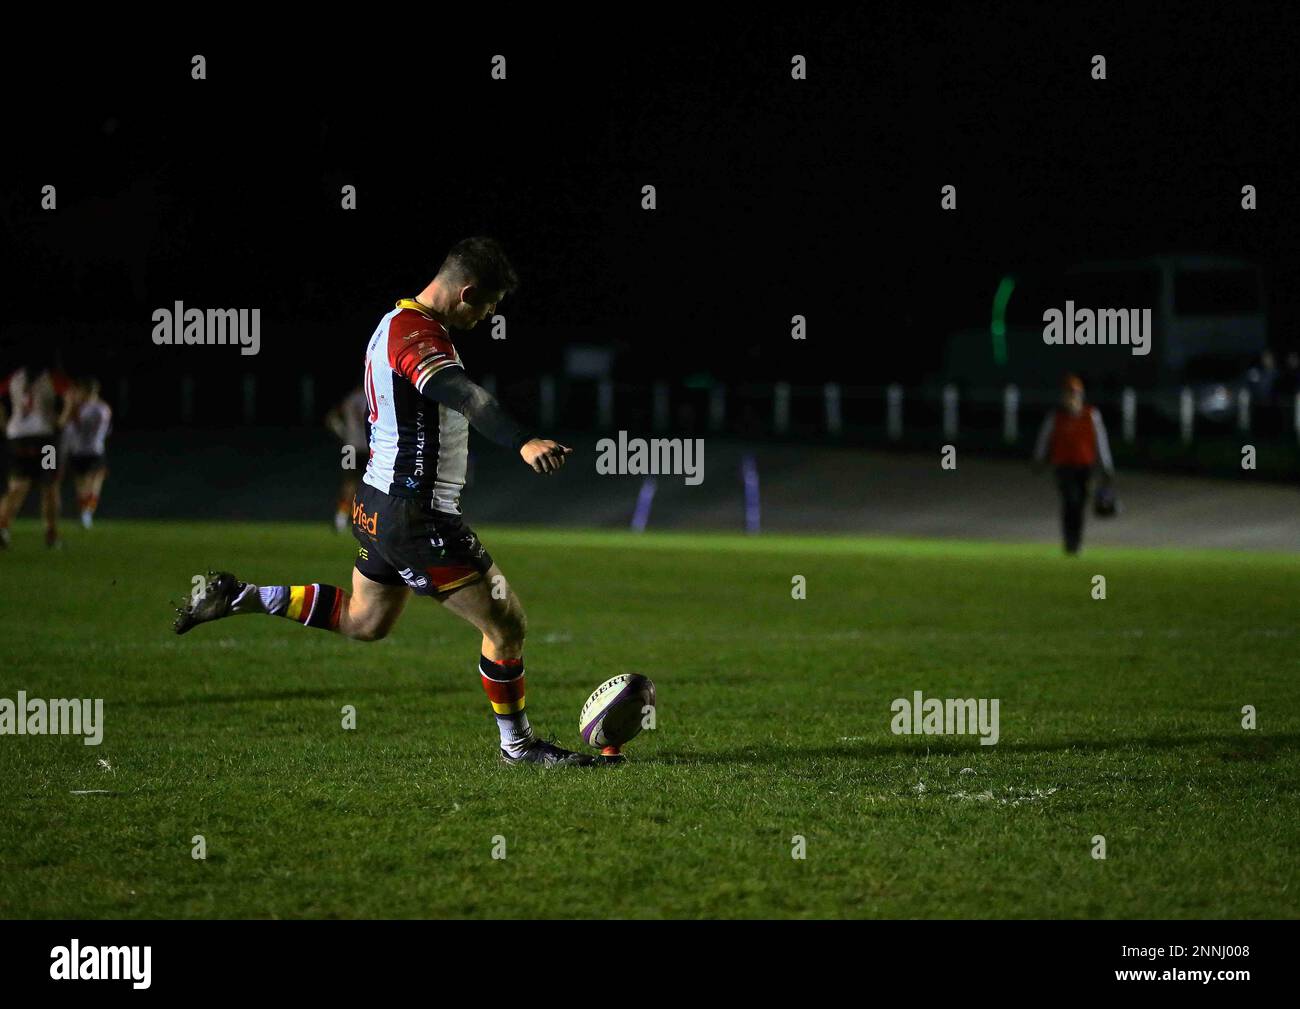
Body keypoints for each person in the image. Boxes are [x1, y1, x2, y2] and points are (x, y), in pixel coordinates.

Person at [172, 237, 612, 768]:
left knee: (365, 621)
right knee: (506, 626)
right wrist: (523, 440)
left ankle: (243, 596)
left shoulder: (394, 323)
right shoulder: (414, 333)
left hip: (378, 505)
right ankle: (518, 747)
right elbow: (468, 396)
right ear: (466, 291)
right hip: (417, 514)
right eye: (489, 305)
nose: (489, 316)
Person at [1032, 374, 1115, 555]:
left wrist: (1106, 466)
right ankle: (1069, 541)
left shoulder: (1091, 415)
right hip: (1063, 467)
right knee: (1070, 500)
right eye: (1069, 394)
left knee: (1080, 504)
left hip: (1085, 467)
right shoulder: (1056, 417)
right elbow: (1044, 439)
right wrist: (1039, 459)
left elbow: (1101, 441)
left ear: (1080, 396)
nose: (1072, 398)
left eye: (1075, 394)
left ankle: (1076, 542)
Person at [0, 365, 72, 549]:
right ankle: (51, 534)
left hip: (18, 437)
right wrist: (61, 421)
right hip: (45, 438)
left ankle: (2, 528)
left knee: (17, 486)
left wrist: (5, 424)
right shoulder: (52, 378)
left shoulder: (14, 378)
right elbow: (70, 396)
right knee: (50, 486)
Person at [62, 378, 113, 529]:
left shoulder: (99, 409)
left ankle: (86, 514)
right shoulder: (90, 407)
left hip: (93, 451)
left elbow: (82, 427)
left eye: (79, 391)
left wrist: (71, 408)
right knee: (81, 486)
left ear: (86, 391)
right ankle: (85, 514)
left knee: (93, 485)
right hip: (79, 451)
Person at [325, 385, 369, 533]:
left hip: (349, 447)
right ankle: (365, 519)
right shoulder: (370, 396)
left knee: (348, 483)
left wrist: (344, 433)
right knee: (369, 484)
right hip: (367, 447)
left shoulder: (348, 400)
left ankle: (341, 519)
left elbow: (331, 419)